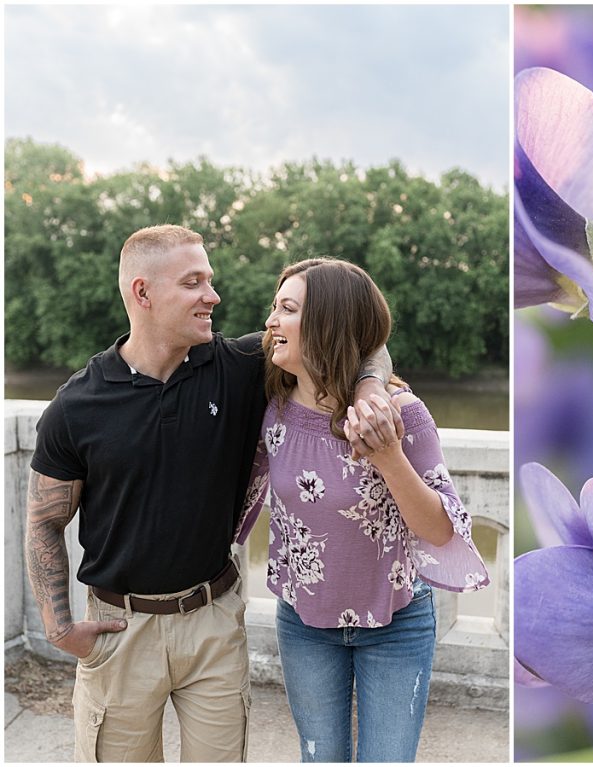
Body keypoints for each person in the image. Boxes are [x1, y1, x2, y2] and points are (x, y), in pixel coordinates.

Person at [24, 225, 395, 762]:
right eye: (193, 282)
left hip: (214, 623)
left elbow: (363, 338)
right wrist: (60, 628)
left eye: (211, 280)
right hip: (120, 631)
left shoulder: (244, 367)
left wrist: (369, 387)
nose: (213, 295)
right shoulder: (76, 405)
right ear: (142, 293)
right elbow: (43, 520)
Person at [234, 258, 490, 763]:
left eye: (286, 309)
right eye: (274, 306)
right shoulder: (270, 405)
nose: (270, 321)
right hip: (305, 624)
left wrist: (389, 455)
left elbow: (440, 531)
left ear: (328, 323)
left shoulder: (401, 412)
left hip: (396, 623)